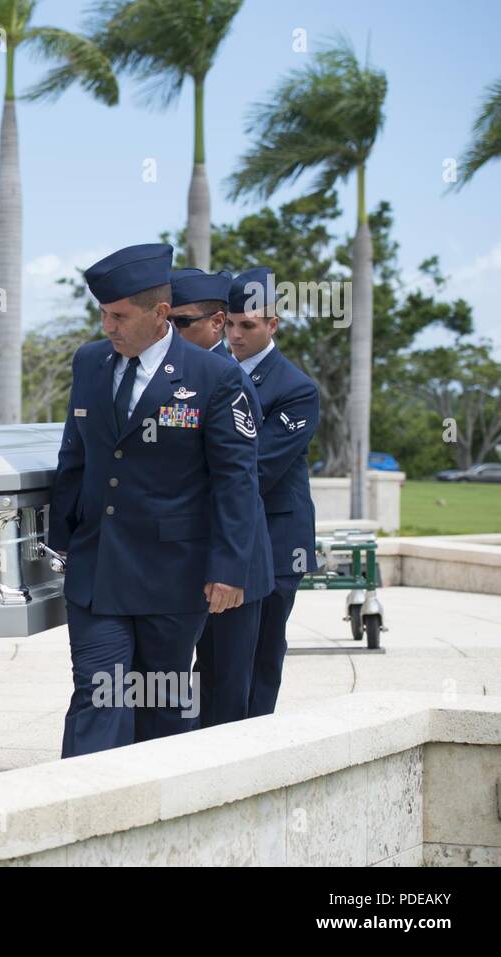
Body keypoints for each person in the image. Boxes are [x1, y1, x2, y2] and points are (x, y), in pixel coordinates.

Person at [48, 243, 261, 756]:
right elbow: (73, 457)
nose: (108, 327)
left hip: (174, 574)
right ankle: (81, 813)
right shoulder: (90, 363)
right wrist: (59, 544)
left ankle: (155, 812)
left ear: (160, 314)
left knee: (161, 704)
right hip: (97, 570)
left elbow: (236, 479)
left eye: (119, 316)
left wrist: (230, 566)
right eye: (102, 314)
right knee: (99, 694)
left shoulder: (214, 377)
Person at [168, 267, 275, 728]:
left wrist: (229, 566)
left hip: (231, 561)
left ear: (215, 323)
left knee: (224, 686)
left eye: (181, 323)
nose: (169, 332)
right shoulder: (166, 371)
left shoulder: (229, 380)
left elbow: (240, 482)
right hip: (178, 556)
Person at [224, 267, 321, 717]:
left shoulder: (295, 388)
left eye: (248, 325)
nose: (236, 334)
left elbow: (255, 468)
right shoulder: (215, 372)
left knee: (261, 648)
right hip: (227, 535)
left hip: (278, 541)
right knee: (221, 652)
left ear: (272, 325)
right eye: (228, 323)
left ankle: (255, 734)